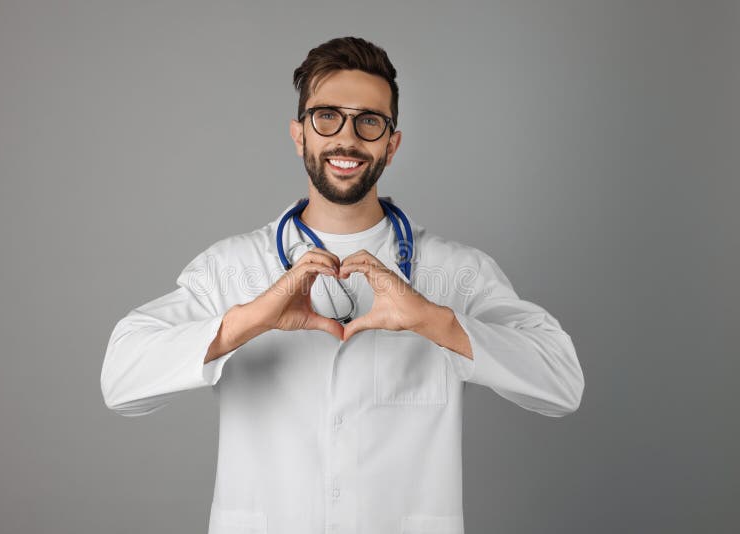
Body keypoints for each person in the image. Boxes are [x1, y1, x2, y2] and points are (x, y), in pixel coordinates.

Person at [100, 36, 584, 534]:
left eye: (368, 121)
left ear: (391, 145)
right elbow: (120, 382)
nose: (346, 138)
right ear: (298, 134)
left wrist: (433, 320)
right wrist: (248, 321)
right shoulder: (234, 267)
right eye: (326, 116)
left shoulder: (452, 271)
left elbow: (562, 384)